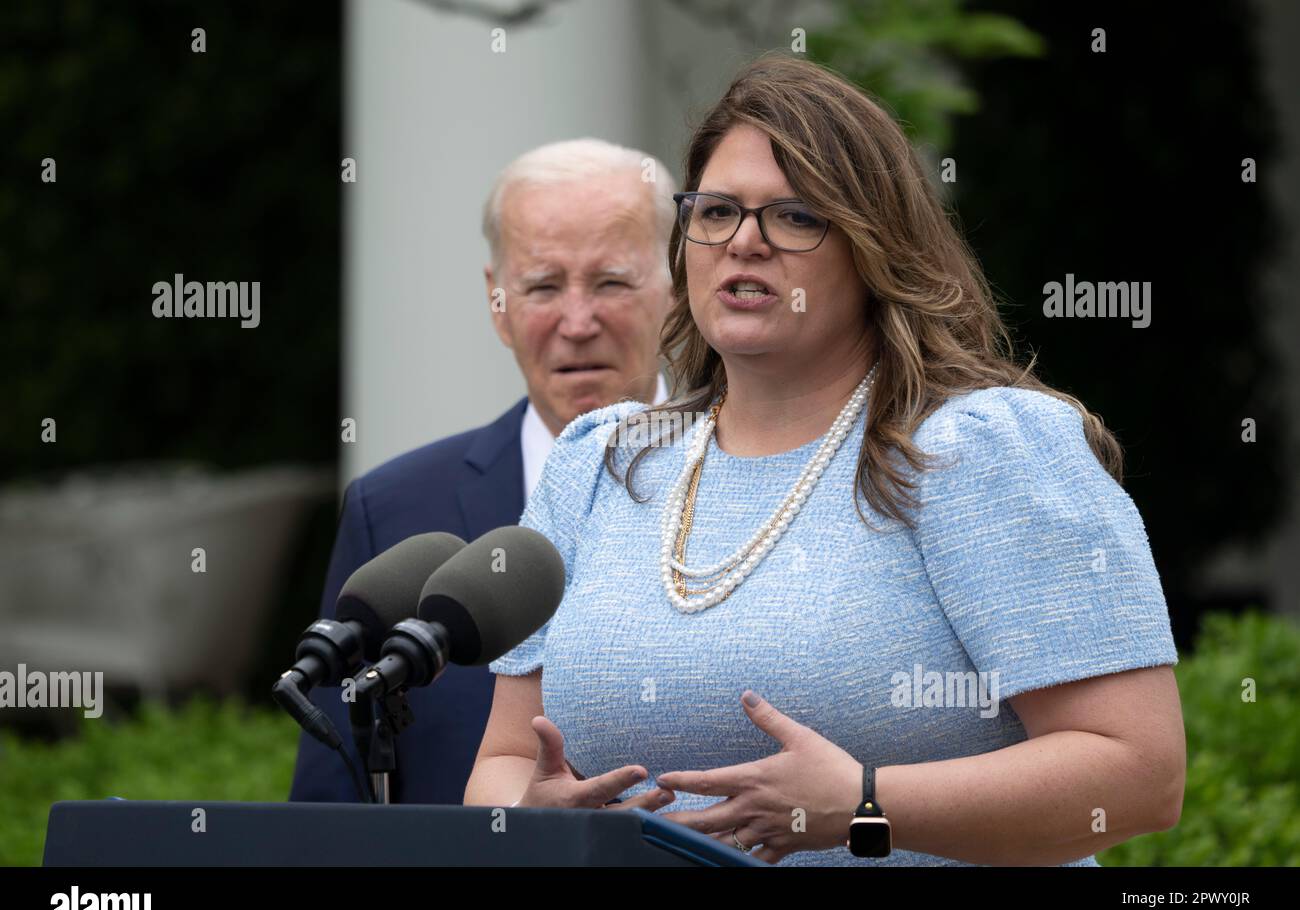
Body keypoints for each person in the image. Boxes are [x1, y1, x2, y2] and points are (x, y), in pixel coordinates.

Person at [465, 55, 1185, 866]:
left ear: (874, 246)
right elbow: (503, 761)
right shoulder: (601, 462)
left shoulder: (980, 449)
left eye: (795, 216)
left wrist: (866, 805)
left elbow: (1139, 773)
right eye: (717, 211)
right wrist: (530, 818)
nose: (745, 241)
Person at [289, 139, 674, 803]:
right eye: (543, 286)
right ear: (497, 301)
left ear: (678, 288)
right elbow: (332, 801)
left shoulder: (760, 484)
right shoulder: (395, 512)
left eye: (612, 282)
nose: (577, 322)